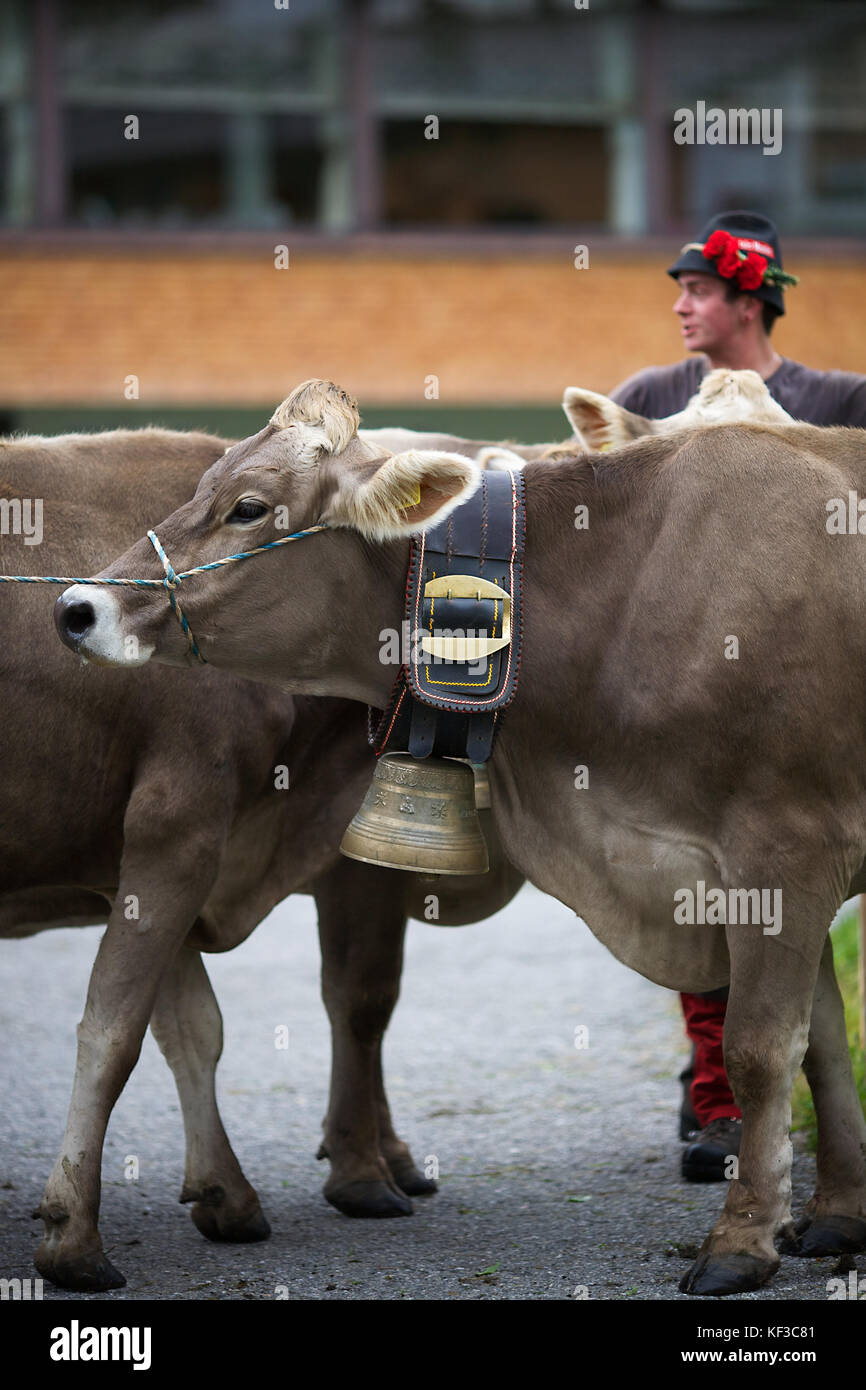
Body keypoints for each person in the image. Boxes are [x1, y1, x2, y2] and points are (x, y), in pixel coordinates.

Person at [609, 210, 866, 1181]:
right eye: (678, 292)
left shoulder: (836, 399)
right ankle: (715, 1094)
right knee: (704, 889)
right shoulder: (643, 399)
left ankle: (749, 1096)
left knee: (777, 893)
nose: (679, 307)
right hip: (682, 682)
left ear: (747, 300)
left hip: (805, 684)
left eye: (697, 291)